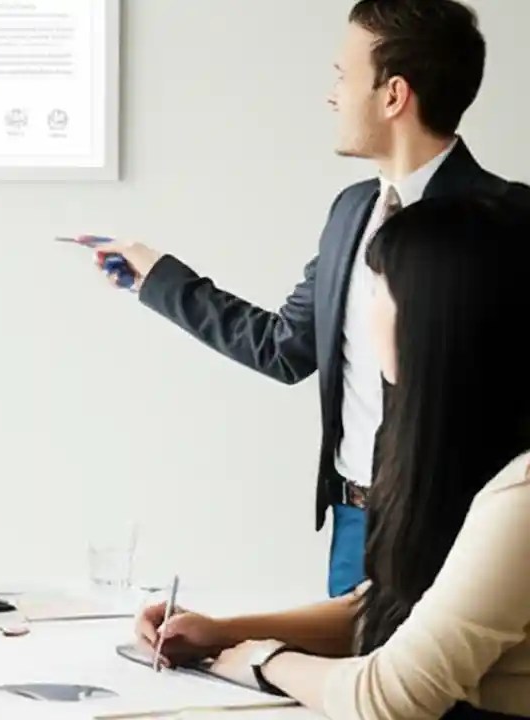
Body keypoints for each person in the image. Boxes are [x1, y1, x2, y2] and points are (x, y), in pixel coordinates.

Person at [81, 0, 529, 597]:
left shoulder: (508, 221)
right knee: (335, 685)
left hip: (464, 531)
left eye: (343, 76)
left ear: (393, 94)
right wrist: (156, 278)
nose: (332, 95)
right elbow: (284, 348)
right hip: (352, 521)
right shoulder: (350, 213)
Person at [133, 195, 530, 719]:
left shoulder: (520, 493)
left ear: (432, 317)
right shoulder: (467, 450)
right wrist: (223, 632)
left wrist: (262, 659)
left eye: (377, 291)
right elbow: (390, 608)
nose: (362, 316)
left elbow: (391, 697)